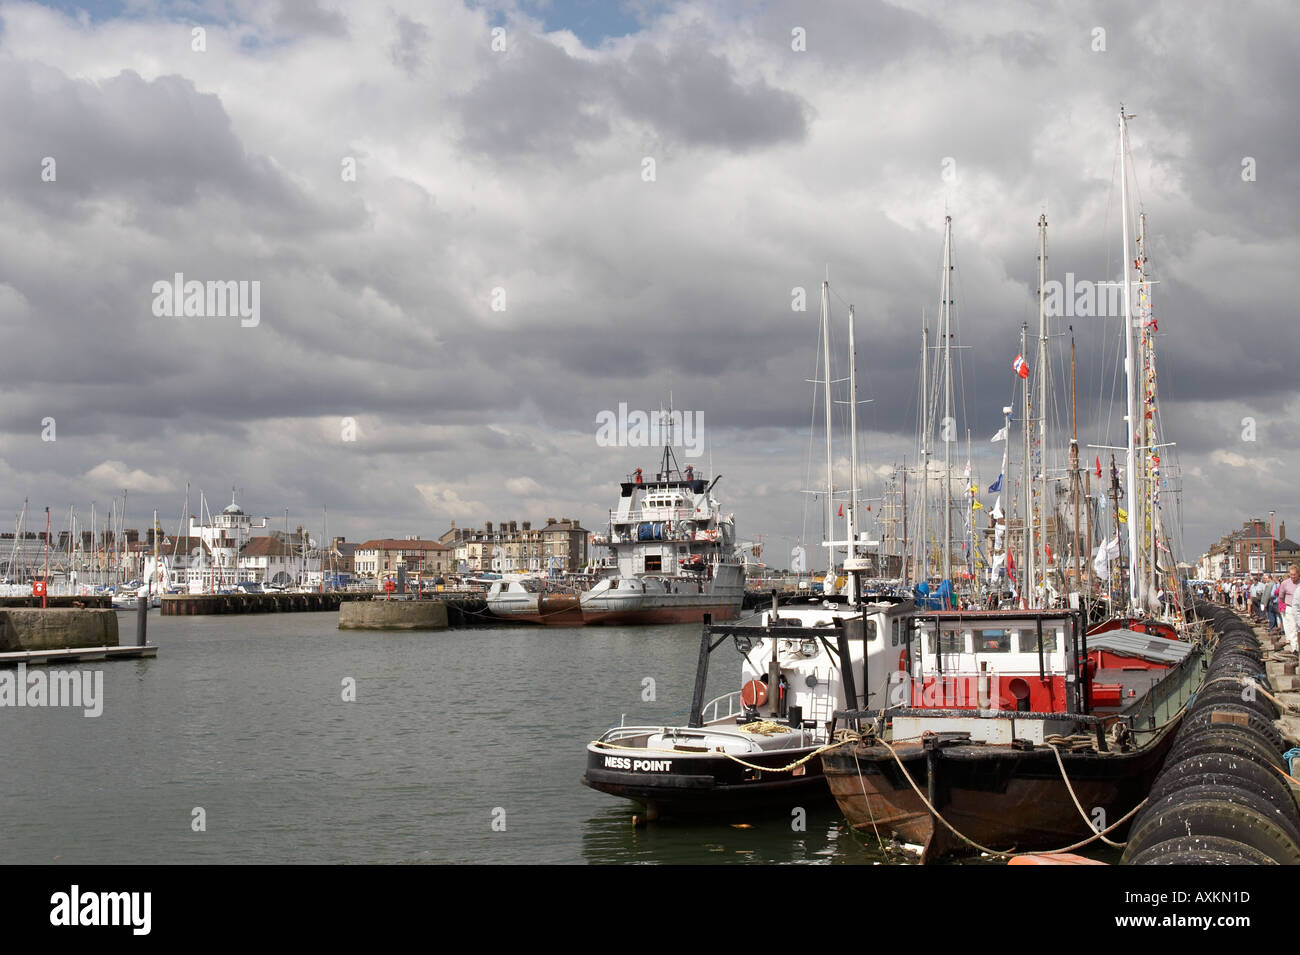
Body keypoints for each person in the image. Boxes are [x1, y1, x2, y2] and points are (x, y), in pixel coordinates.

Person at [1279, 564, 1300, 654]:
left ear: (1298, 574)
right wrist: (1288, 603)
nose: (1292, 576)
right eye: (1291, 574)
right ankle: (1295, 649)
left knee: (1298, 629)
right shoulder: (1285, 583)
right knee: (1293, 629)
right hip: (1290, 608)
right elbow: (1281, 596)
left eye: (1294, 574)